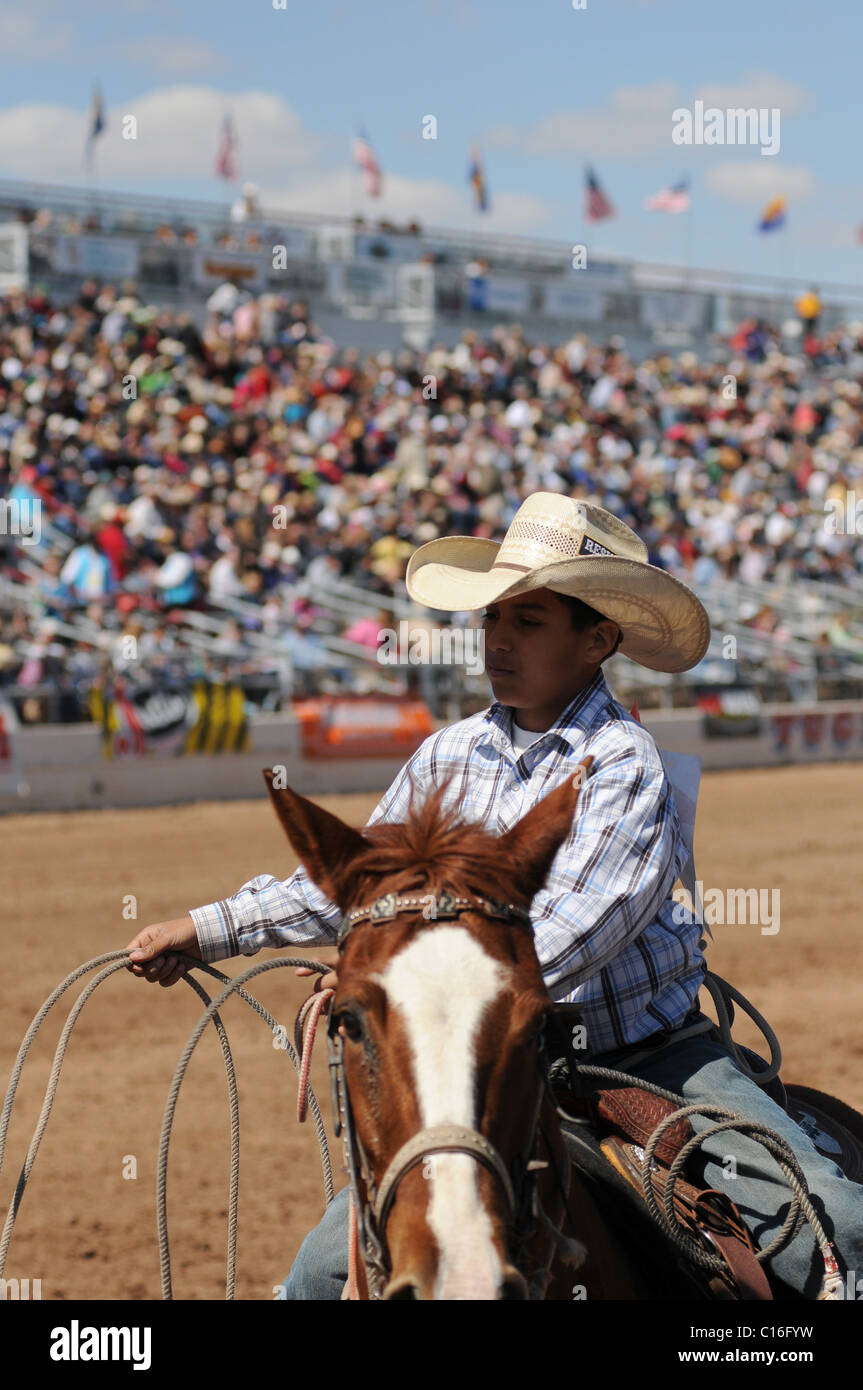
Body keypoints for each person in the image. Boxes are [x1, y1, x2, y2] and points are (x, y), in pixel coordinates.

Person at [125, 493, 863, 1300]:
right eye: (491, 621)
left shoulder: (622, 764)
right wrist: (208, 927)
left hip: (649, 1062)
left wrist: (415, 989)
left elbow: (568, 935)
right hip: (478, 1071)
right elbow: (361, 885)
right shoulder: (448, 754)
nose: (499, 642)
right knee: (316, 1277)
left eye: (530, 622)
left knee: (830, 1226)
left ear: (598, 640)